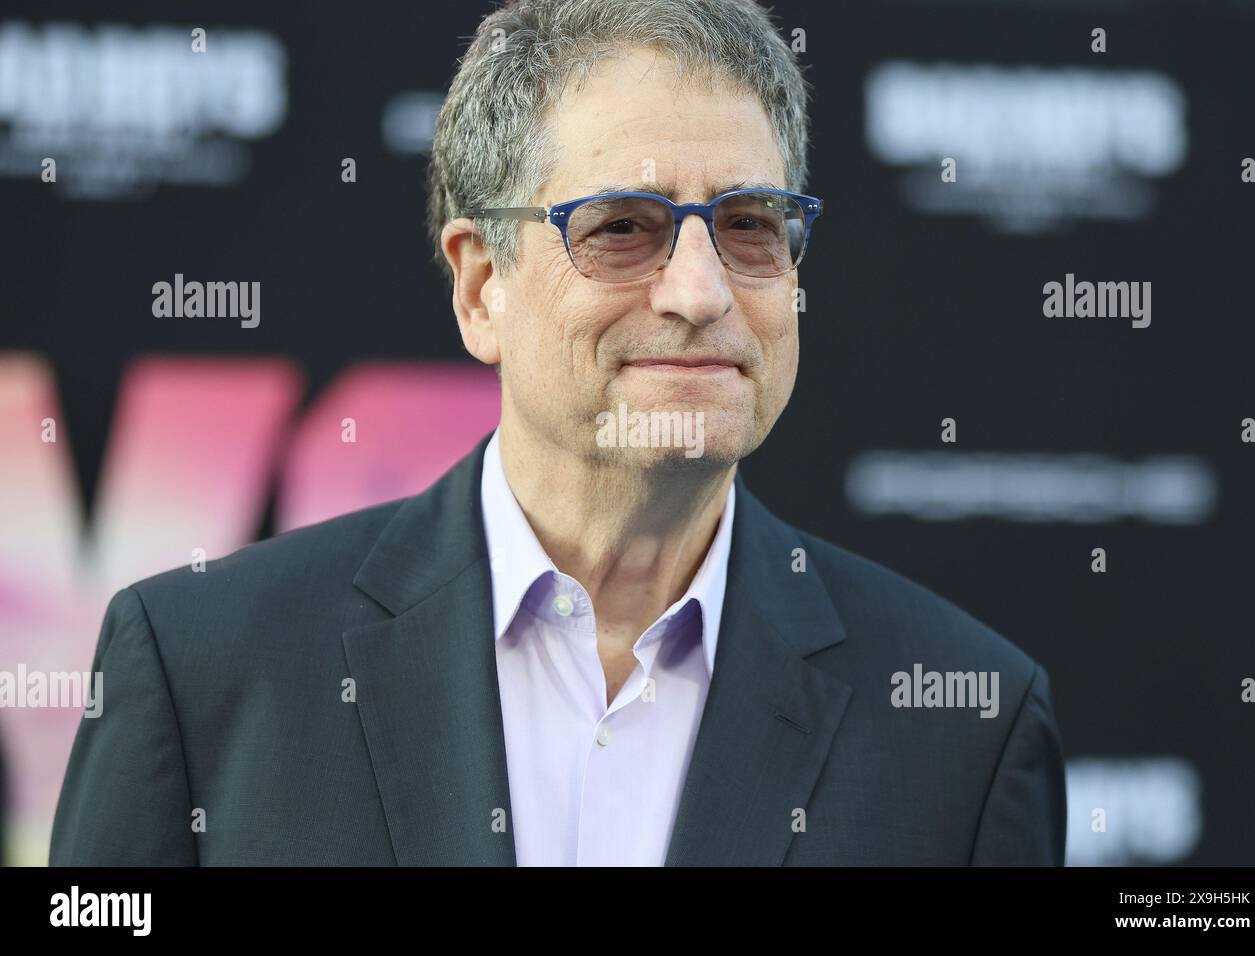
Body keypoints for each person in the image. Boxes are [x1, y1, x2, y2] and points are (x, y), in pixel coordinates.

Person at [51, 0, 1064, 866]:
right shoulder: (201, 671)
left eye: (751, 224)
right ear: (482, 286)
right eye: (624, 226)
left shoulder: (967, 727)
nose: (702, 291)